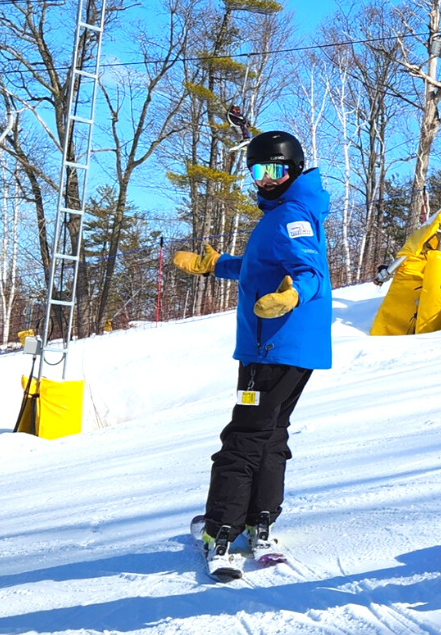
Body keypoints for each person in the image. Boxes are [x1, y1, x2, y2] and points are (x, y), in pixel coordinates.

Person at [172, 129, 332, 578]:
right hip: (291, 348)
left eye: (275, 170)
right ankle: (261, 521)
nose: (265, 180)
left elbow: (311, 271)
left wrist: (294, 295)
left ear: (294, 168)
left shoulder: (291, 216)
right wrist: (214, 265)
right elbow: (260, 266)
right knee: (270, 432)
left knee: (243, 437)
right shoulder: (291, 209)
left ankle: (220, 530)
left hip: (273, 346)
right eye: (259, 171)